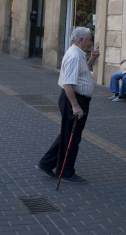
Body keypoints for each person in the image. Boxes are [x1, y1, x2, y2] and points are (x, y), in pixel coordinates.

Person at [38, 27, 99, 184]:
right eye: (89, 39)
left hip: (78, 99)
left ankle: (46, 163)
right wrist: (76, 106)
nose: (90, 42)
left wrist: (92, 60)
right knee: (73, 137)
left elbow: (82, 73)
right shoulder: (74, 56)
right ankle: (66, 172)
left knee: (67, 134)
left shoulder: (79, 55)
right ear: (80, 40)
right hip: (74, 100)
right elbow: (68, 84)